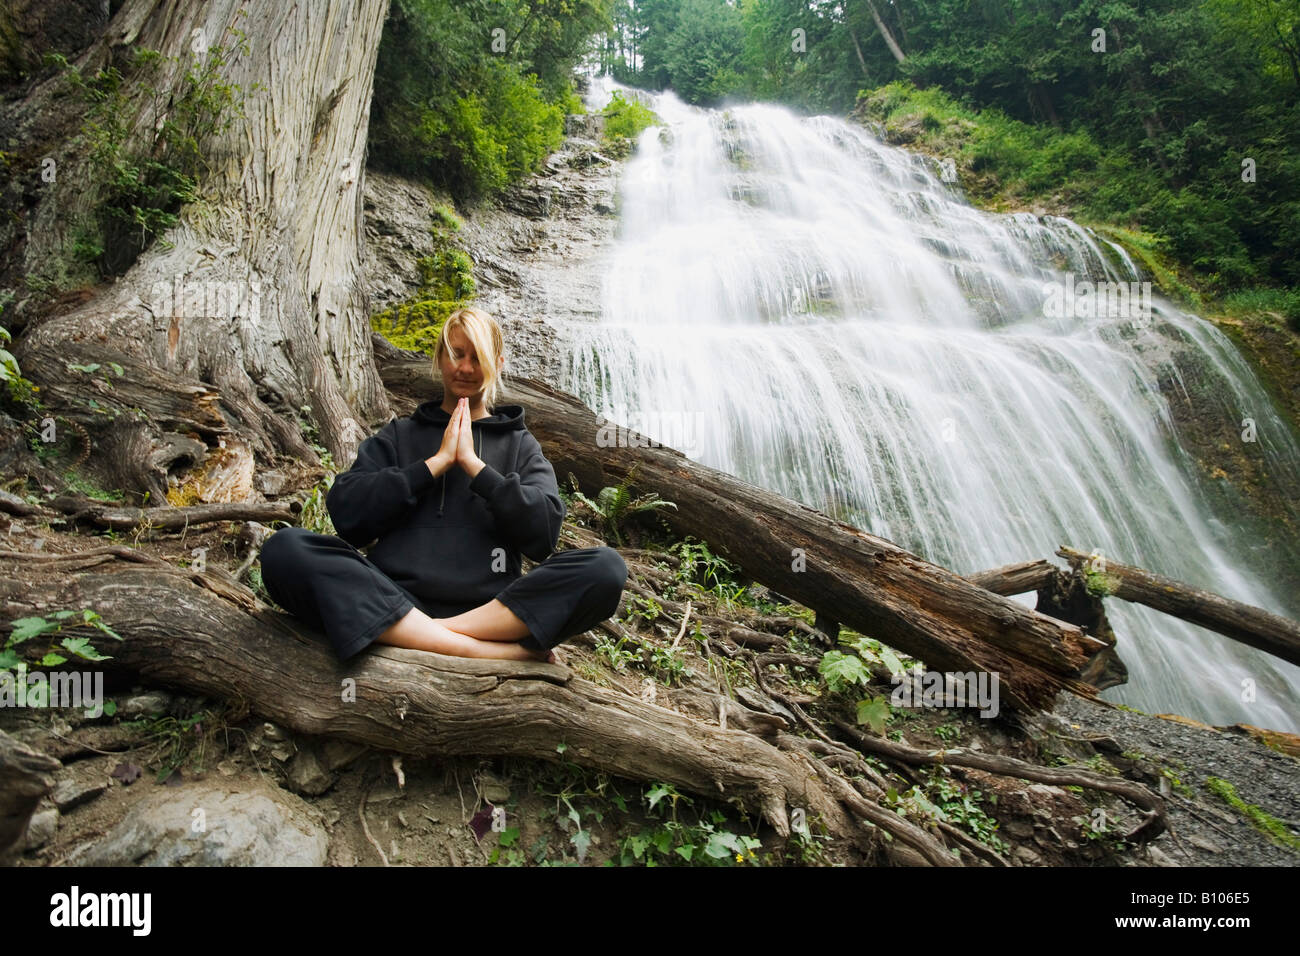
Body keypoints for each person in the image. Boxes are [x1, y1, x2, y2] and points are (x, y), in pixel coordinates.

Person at [259, 306, 628, 664]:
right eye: (456, 354)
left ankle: (429, 635)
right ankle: (471, 650)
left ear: (497, 365)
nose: (465, 367)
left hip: (491, 615)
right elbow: (347, 515)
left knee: (606, 568)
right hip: (394, 599)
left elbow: (543, 533)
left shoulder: (520, 446)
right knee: (284, 550)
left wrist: (474, 467)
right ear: (439, 358)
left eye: (477, 356)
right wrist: (433, 466)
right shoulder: (400, 436)